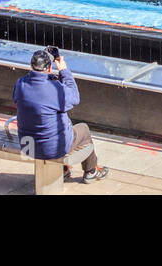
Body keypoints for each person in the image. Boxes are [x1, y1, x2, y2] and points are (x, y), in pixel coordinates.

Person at [12, 48, 108, 184]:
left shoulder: (20, 84)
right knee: (83, 129)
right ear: (50, 68)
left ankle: (64, 170)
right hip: (53, 148)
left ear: (31, 66)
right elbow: (75, 98)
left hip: (28, 146)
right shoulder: (55, 88)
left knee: (50, 123)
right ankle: (91, 170)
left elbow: (23, 97)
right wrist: (63, 70)